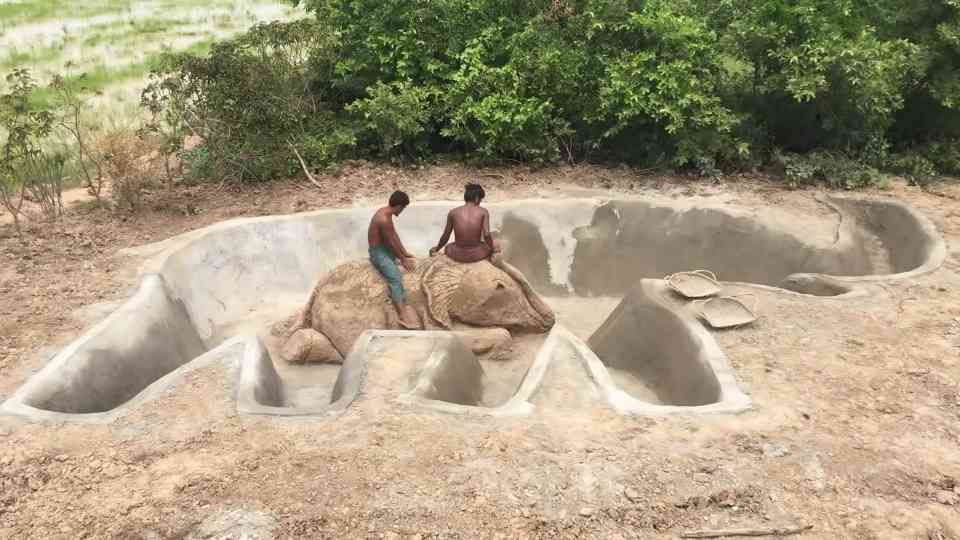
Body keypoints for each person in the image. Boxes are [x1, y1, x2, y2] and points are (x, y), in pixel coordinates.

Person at [368, 191, 419, 328]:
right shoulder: (383, 219)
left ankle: (403, 304)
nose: (402, 211)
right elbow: (391, 241)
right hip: (378, 253)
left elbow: (394, 236)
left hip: (385, 249)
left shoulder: (386, 213)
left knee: (399, 261)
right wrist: (402, 259)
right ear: (399, 206)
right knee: (395, 278)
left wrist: (404, 252)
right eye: (403, 208)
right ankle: (402, 316)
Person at [429, 183, 500, 263]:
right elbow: (486, 234)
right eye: (480, 200)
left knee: (448, 247)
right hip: (477, 254)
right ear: (477, 198)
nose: (480, 202)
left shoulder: (453, 212)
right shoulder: (483, 212)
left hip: (456, 254)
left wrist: (437, 248)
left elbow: (446, 235)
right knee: (491, 246)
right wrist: (493, 248)